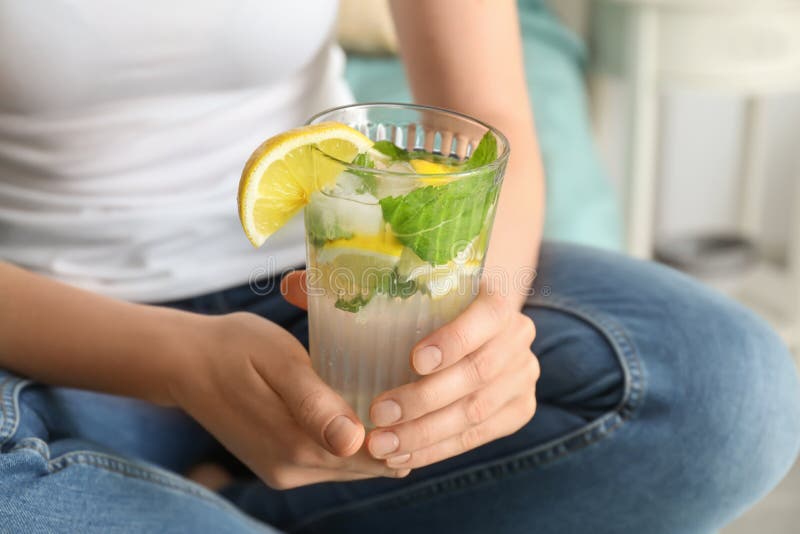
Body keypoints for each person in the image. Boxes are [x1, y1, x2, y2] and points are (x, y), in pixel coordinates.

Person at [0, 1, 798, 533]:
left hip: (339, 278)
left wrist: (488, 315)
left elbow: (490, 125)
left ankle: (193, 505)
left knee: (734, 392)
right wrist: (177, 362)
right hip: (58, 338)